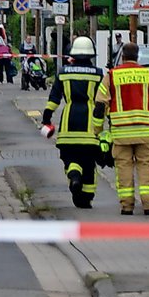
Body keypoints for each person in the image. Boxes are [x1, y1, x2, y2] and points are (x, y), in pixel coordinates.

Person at [100, 42, 149, 216]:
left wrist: (97, 131)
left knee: (123, 167)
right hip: (145, 132)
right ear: (138, 57)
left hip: (121, 133)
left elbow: (100, 106)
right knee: (146, 166)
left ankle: (127, 206)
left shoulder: (111, 76)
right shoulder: (148, 75)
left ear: (122, 56)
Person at [41, 36, 107, 209]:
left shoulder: (63, 73)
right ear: (91, 55)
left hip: (68, 124)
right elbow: (103, 102)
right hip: (90, 127)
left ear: (73, 54)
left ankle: (73, 174)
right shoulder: (98, 74)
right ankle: (85, 198)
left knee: (69, 157)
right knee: (88, 162)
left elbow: (53, 100)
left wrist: (46, 119)